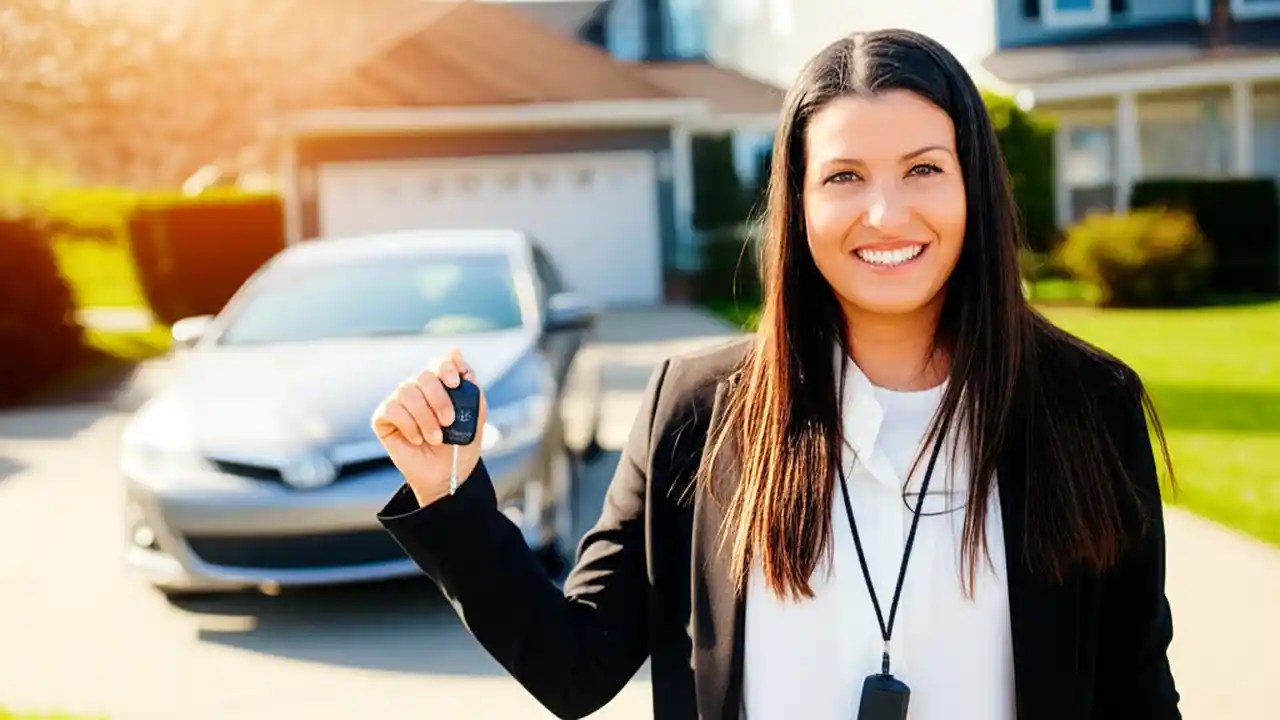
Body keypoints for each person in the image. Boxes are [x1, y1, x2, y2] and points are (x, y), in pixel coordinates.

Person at [370, 29, 1180, 720]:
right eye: (844, 176)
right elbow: (574, 665)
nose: (886, 214)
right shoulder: (695, 411)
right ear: (798, 201)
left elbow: (1137, 694)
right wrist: (451, 496)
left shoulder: (1087, 408)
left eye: (924, 169)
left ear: (974, 183)